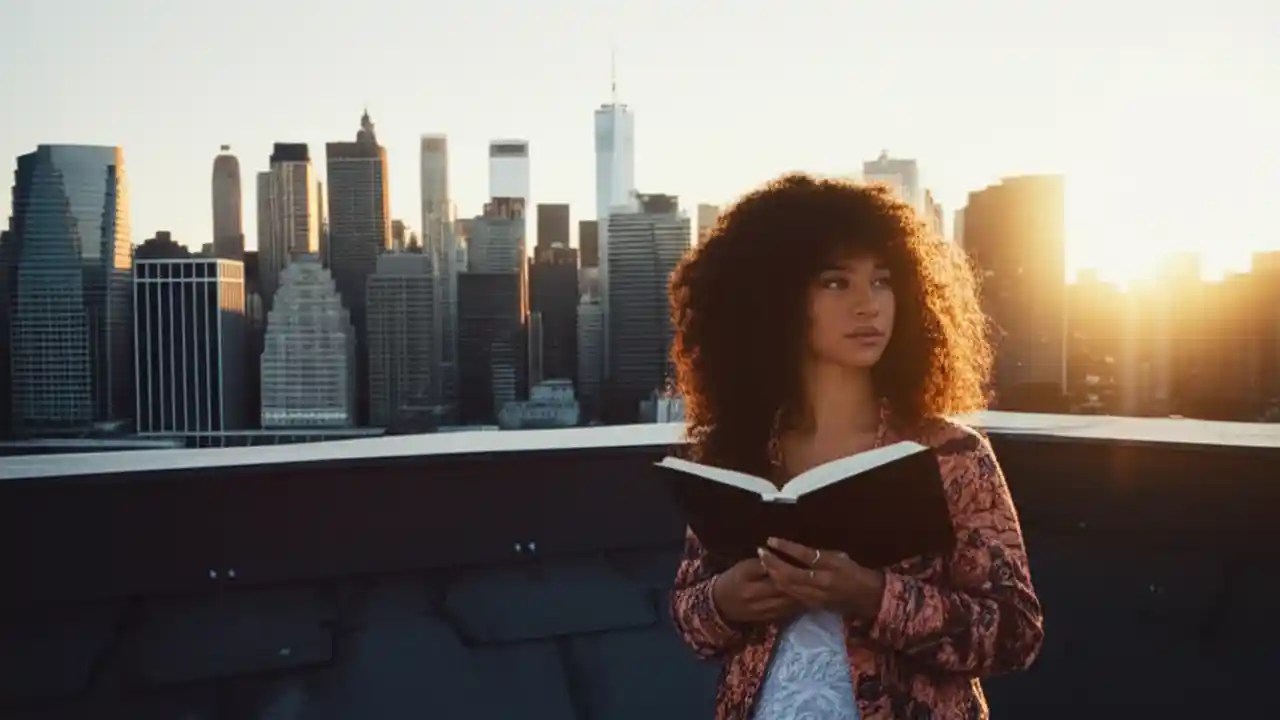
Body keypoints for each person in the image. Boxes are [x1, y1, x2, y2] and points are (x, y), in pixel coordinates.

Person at [667, 174, 1043, 720]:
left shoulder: (953, 457)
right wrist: (725, 599)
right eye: (837, 283)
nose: (869, 305)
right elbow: (690, 618)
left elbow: (1015, 632)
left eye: (882, 281)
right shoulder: (735, 454)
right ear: (775, 299)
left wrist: (872, 595)